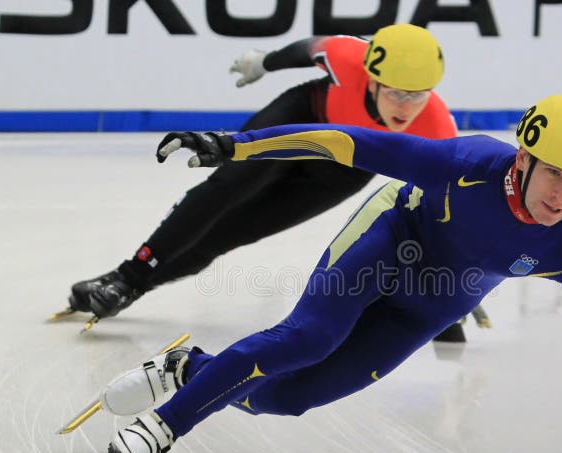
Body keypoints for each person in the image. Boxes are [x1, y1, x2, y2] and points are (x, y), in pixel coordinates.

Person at [79, 94, 562, 453]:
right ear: (524, 157)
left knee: (288, 399)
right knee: (309, 338)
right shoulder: (467, 164)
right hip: (390, 240)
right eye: (555, 173)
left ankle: (189, 369)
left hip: (430, 305)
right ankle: (162, 429)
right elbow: (343, 141)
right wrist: (235, 145)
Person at [59, 23, 485, 339]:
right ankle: (126, 275)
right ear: (371, 78)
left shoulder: (436, 126)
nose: (407, 106)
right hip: (300, 119)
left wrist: (459, 281)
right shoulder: (346, 55)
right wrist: (263, 62)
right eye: (396, 92)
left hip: (343, 167)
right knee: (226, 189)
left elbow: (451, 207)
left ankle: (130, 288)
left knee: (231, 233)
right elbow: (305, 50)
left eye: (419, 94)